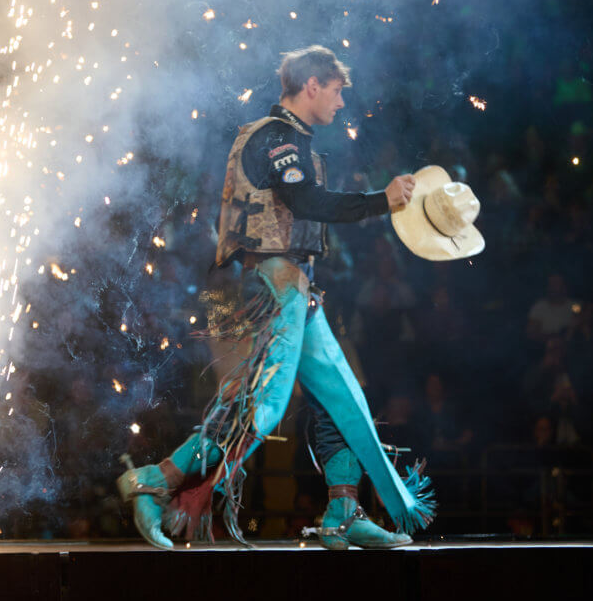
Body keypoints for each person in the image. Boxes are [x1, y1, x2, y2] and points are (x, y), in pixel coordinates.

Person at [118, 45, 434, 550]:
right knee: (262, 408)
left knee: (342, 398)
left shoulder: (286, 138)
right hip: (274, 287)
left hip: (293, 288)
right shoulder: (276, 138)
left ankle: (343, 511)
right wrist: (383, 199)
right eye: (336, 91)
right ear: (312, 86)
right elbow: (306, 200)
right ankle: (158, 480)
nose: (341, 102)